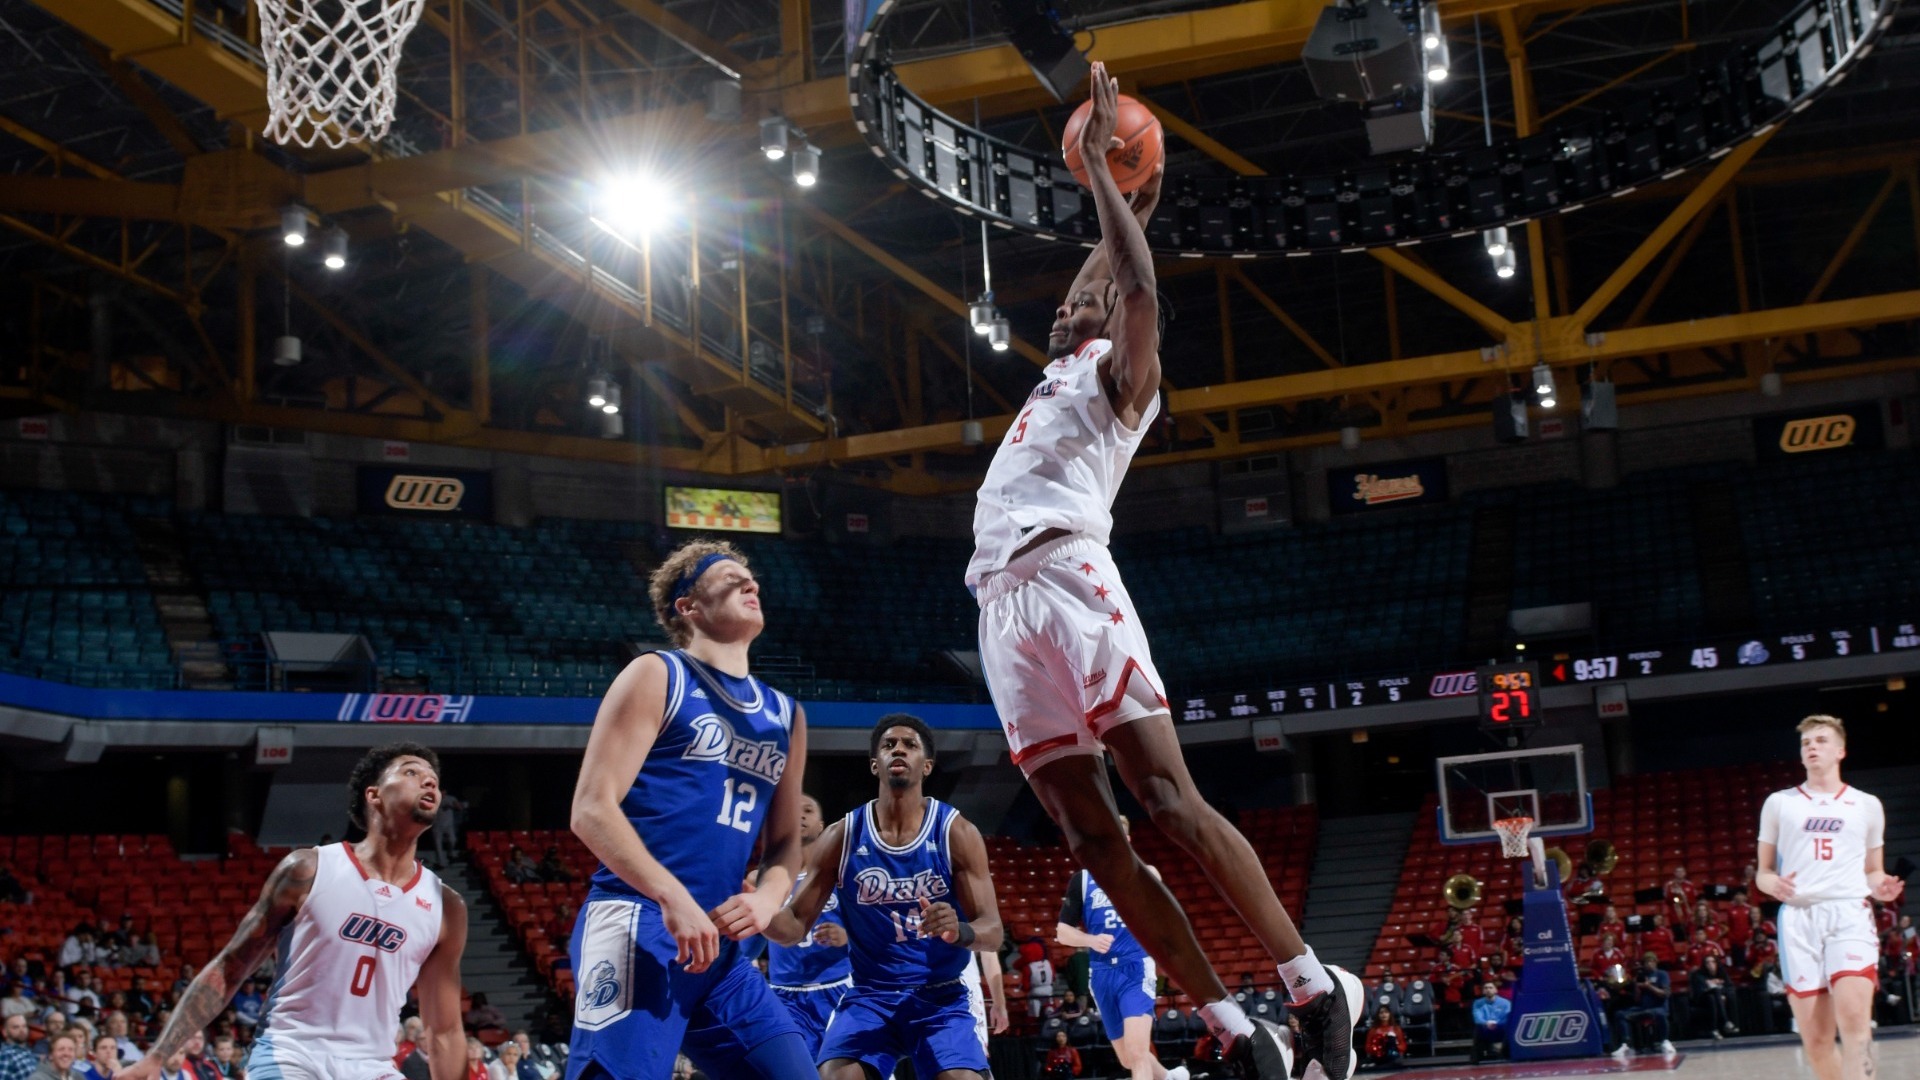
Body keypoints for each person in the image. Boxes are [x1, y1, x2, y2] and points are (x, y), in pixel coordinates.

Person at [965, 61, 1352, 1079]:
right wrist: (1133, 187)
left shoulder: (1124, 377)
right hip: (1000, 609)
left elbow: (1133, 279)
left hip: (1071, 583)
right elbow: (1114, 258)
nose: (1076, 288)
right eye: (1078, 280)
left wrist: (1103, 171)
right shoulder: (1054, 374)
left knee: (1168, 801)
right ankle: (1233, 1027)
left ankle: (1310, 984)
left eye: (1089, 287)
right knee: (1091, 838)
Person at [565, 540, 813, 1080]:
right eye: (730, 577)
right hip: (638, 920)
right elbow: (590, 808)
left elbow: (786, 843)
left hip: (722, 948)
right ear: (688, 606)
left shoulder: (786, 715)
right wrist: (670, 894)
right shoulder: (657, 675)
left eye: (751, 578)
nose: (750, 584)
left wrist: (769, 899)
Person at [118, 743, 469, 1080]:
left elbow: (445, 1030)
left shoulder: (445, 907)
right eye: (411, 771)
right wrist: (158, 1055)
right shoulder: (309, 869)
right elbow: (229, 967)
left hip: (371, 1064)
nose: (429, 781)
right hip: (292, 1051)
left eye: (434, 779)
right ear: (373, 794)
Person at [768, 714, 1004, 1080]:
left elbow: (993, 930)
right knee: (837, 1076)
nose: (898, 749)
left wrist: (960, 929)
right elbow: (795, 925)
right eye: (889, 744)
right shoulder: (841, 836)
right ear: (874, 764)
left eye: (910, 745)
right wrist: (758, 910)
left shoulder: (956, 832)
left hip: (940, 996)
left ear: (926, 766)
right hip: (871, 995)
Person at [1756, 714, 1902, 1080]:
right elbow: (1763, 872)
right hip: (1799, 919)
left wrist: (1880, 884)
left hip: (1848, 913)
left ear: (1840, 751)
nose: (1811, 747)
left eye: (1820, 741)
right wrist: (1770, 884)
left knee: (1855, 1022)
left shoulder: (1867, 805)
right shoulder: (1779, 803)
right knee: (1818, 1042)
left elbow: (1873, 870)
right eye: (1806, 743)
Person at [1055, 814, 1190, 1080]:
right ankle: (1170, 1077)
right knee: (1128, 1058)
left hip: (1135, 967)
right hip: (1102, 973)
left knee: (1138, 1052)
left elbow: (1164, 919)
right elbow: (1062, 933)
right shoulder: (1082, 880)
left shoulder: (1146, 874)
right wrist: (1090, 940)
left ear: (1126, 840)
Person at [763, 795, 852, 1062]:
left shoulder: (841, 875)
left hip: (837, 987)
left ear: (822, 825)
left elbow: (873, 929)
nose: (800, 815)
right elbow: (751, 943)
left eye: (808, 810)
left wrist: (847, 937)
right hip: (785, 994)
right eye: (793, 809)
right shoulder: (764, 881)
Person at [1608, 952, 1674, 1058]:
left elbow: (1665, 994)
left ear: (1656, 962)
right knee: (1620, 1014)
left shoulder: (1662, 974)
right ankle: (1625, 1044)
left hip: (1658, 1007)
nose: (1649, 964)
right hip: (1643, 1008)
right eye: (1646, 962)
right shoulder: (1641, 976)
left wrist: (1649, 987)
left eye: (1651, 961)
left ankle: (1665, 1041)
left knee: (1661, 1014)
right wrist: (1636, 987)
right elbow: (1636, 999)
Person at [1690, 953, 1738, 1038]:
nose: (1710, 964)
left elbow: (1730, 987)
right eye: (1708, 962)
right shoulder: (1698, 974)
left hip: (1716, 999)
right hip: (1702, 999)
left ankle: (1714, 1029)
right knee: (1713, 994)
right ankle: (1726, 1022)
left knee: (1713, 998)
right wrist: (1717, 992)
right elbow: (1700, 991)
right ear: (1704, 965)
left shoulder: (1722, 973)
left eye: (1713, 962)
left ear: (1717, 963)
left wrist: (1722, 994)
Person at [1468, 982, 1509, 1064]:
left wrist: (1496, 1023)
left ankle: (1507, 1055)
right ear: (1483, 991)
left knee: (1509, 1029)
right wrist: (1486, 1023)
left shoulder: (1505, 1003)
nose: (1488, 990)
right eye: (1486, 988)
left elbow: (1507, 1016)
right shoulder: (1477, 1003)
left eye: (1490, 988)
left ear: (1495, 990)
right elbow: (1477, 1017)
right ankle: (1476, 1060)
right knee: (1478, 1029)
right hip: (1485, 1028)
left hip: (1500, 1028)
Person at [2, 1015, 36, 1080]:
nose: (22, 1030)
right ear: (5, 1032)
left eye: (24, 1026)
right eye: (16, 1027)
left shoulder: (28, 1052)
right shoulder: (6, 1055)